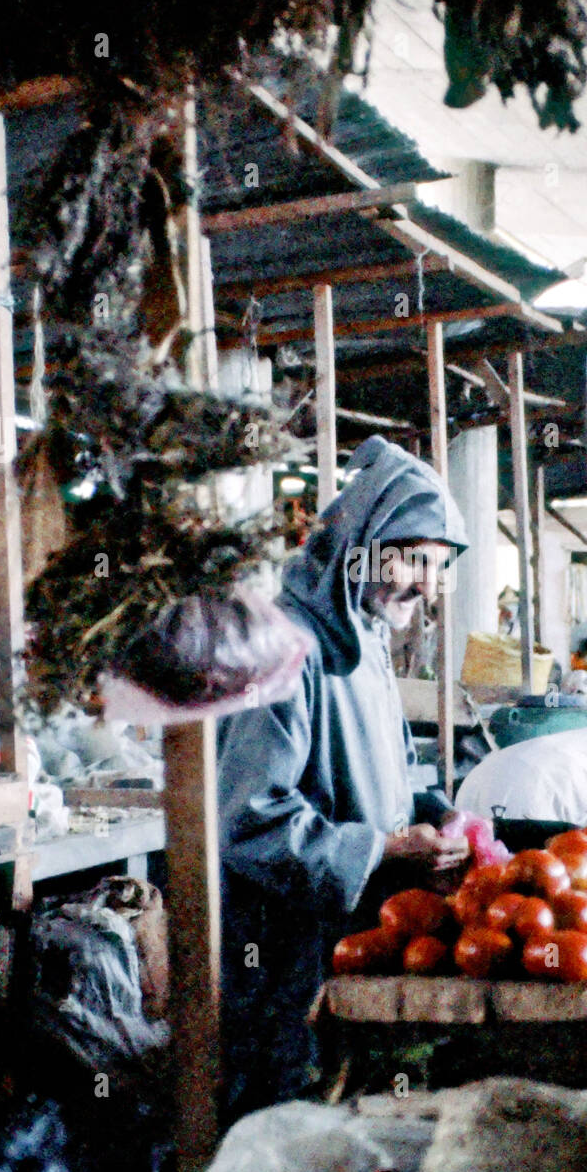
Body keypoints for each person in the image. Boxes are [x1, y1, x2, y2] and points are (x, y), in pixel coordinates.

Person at [215, 436, 470, 1116]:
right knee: (285, 1129)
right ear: (361, 543)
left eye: (437, 567)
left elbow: (386, 776)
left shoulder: (365, 638)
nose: (426, 583)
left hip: (355, 952)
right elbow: (246, 820)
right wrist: (382, 851)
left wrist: (441, 813)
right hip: (283, 964)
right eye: (413, 558)